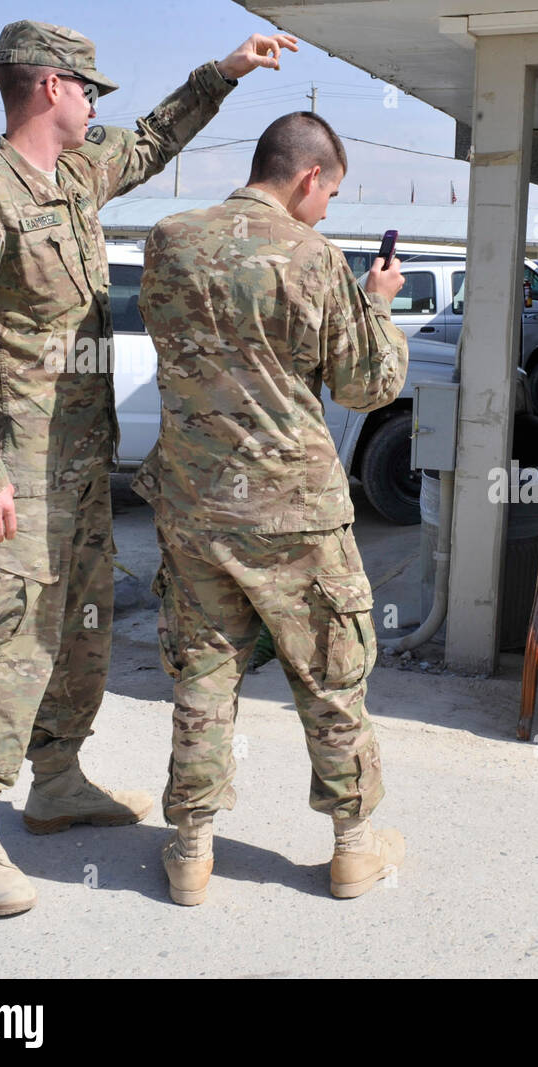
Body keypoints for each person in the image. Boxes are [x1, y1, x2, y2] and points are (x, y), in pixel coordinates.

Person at [0, 20, 299, 917]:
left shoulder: (77, 175)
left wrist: (225, 73)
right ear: (49, 86)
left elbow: (157, 137)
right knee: (5, 645)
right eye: (87, 89)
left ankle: (56, 782)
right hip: (19, 479)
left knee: (80, 635)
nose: (95, 105)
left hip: (82, 466)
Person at [130, 112, 409, 904]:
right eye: (329, 195)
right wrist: (377, 303)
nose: (325, 211)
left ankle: (190, 852)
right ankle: (352, 848)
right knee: (330, 676)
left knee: (204, 677)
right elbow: (368, 386)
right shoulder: (314, 257)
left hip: (194, 505)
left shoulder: (170, 239)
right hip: (295, 511)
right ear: (309, 177)